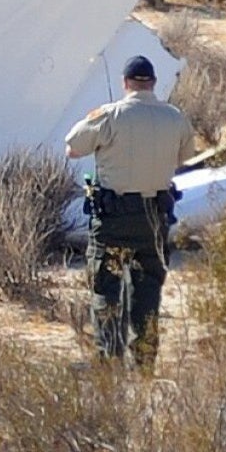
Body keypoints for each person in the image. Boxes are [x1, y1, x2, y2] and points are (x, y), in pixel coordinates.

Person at [65, 55, 194, 369]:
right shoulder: (176, 117)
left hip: (114, 220)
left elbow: (72, 148)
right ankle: (145, 363)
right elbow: (185, 157)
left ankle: (108, 362)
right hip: (155, 217)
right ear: (152, 83)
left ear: (125, 83)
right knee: (148, 290)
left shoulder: (111, 114)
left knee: (106, 288)